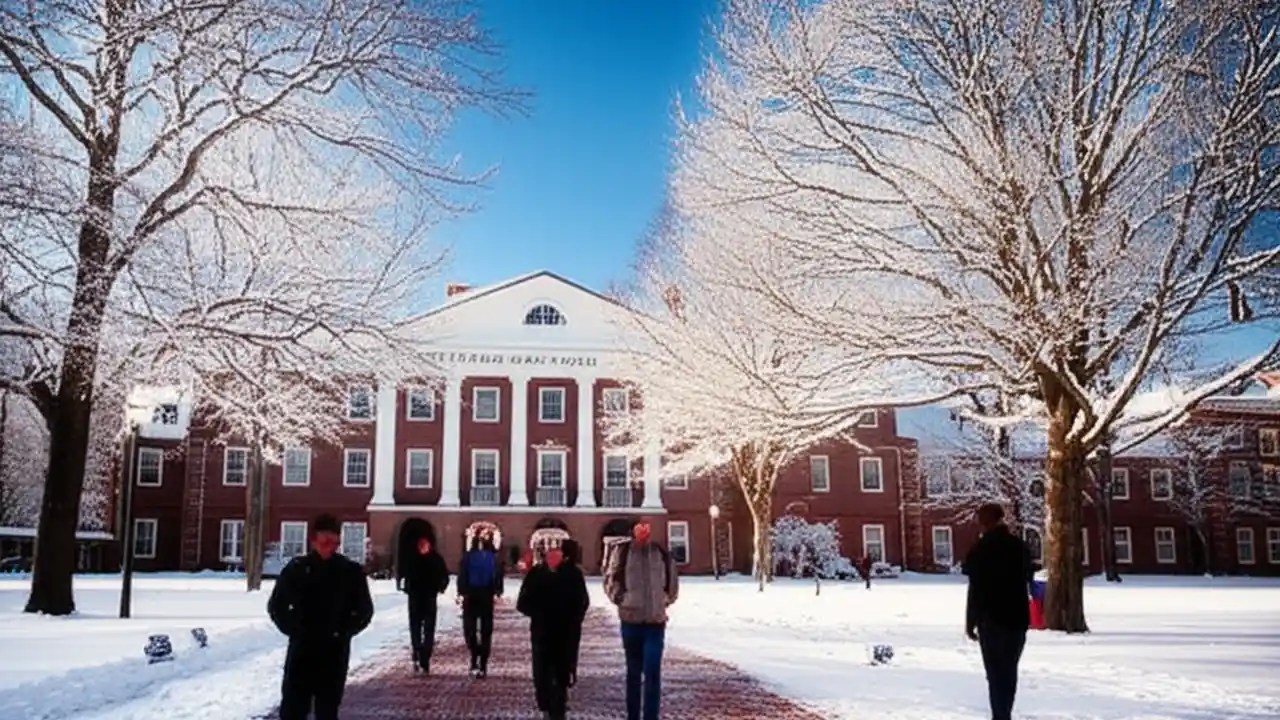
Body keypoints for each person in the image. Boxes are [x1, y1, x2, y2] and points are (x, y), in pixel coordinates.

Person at [268, 514, 374, 720]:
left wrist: (344, 631)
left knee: (328, 708)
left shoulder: (350, 572)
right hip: (302, 650)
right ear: (314, 540)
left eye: (334, 541)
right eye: (325, 540)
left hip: (334, 651)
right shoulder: (297, 569)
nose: (329, 546)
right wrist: (295, 629)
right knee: (293, 707)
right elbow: (277, 606)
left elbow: (364, 610)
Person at [963, 503, 1034, 720]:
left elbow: (975, 589)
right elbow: (1028, 576)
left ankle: (1000, 715)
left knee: (994, 673)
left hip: (990, 619)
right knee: (1009, 671)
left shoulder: (980, 550)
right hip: (1016, 618)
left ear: (984, 522)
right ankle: (1005, 713)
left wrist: (970, 621)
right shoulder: (1019, 547)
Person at [604, 518, 679, 720]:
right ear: (633, 530)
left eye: (647, 527)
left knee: (653, 670)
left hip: (655, 623)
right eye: (640, 527)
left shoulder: (659, 552)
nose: (644, 530)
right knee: (634, 673)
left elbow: (672, 580)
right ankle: (633, 715)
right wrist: (622, 599)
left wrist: (665, 599)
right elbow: (611, 580)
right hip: (631, 621)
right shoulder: (623, 552)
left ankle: (651, 716)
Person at [517, 539, 589, 720]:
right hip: (542, 631)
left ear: (563, 556)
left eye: (557, 554)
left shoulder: (573, 575)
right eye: (550, 554)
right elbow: (522, 602)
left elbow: (582, 602)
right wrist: (539, 614)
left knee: (562, 670)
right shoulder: (536, 574)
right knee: (541, 671)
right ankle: (545, 704)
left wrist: (574, 618)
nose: (553, 558)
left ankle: (558, 708)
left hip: (566, 632)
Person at [457, 531, 504, 678]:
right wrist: (462, 592)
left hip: (483, 594)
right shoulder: (469, 557)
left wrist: (497, 591)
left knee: (483, 630)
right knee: (472, 630)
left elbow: (498, 575)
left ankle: (481, 661)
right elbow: (462, 574)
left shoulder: (492, 558)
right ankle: (476, 654)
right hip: (473, 595)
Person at [401, 535, 450, 674]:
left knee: (429, 628)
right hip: (415, 597)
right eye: (420, 544)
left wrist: (440, 587)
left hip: (429, 596)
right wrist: (407, 587)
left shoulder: (436, 559)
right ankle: (417, 650)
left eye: (425, 544)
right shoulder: (412, 558)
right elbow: (405, 574)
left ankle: (425, 657)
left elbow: (444, 576)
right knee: (415, 626)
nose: (422, 547)